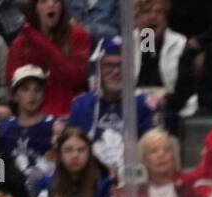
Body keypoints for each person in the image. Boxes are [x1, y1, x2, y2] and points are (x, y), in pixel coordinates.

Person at [67, 35, 160, 171]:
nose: (116, 71)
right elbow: (69, 151)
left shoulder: (145, 105)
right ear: (98, 69)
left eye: (122, 65)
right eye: (109, 65)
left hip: (132, 182)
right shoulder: (80, 105)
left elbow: (153, 153)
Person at [4, 0, 89, 117]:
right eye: (44, 1)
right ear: (35, 8)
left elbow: (76, 78)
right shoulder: (21, 43)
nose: (51, 4)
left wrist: (38, 39)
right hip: (32, 117)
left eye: (56, 1)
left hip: (70, 117)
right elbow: (13, 84)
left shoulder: (78, 36)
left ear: (62, 8)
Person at [0, 64, 57, 192]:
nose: (32, 94)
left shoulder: (54, 127)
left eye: (38, 90)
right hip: (10, 195)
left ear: (43, 95)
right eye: (25, 89)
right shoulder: (3, 129)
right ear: (15, 96)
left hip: (45, 194)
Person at [138, 127, 192, 197]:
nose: (161, 155)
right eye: (154, 151)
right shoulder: (138, 191)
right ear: (144, 160)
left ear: (174, 156)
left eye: (167, 150)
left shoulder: (189, 184)